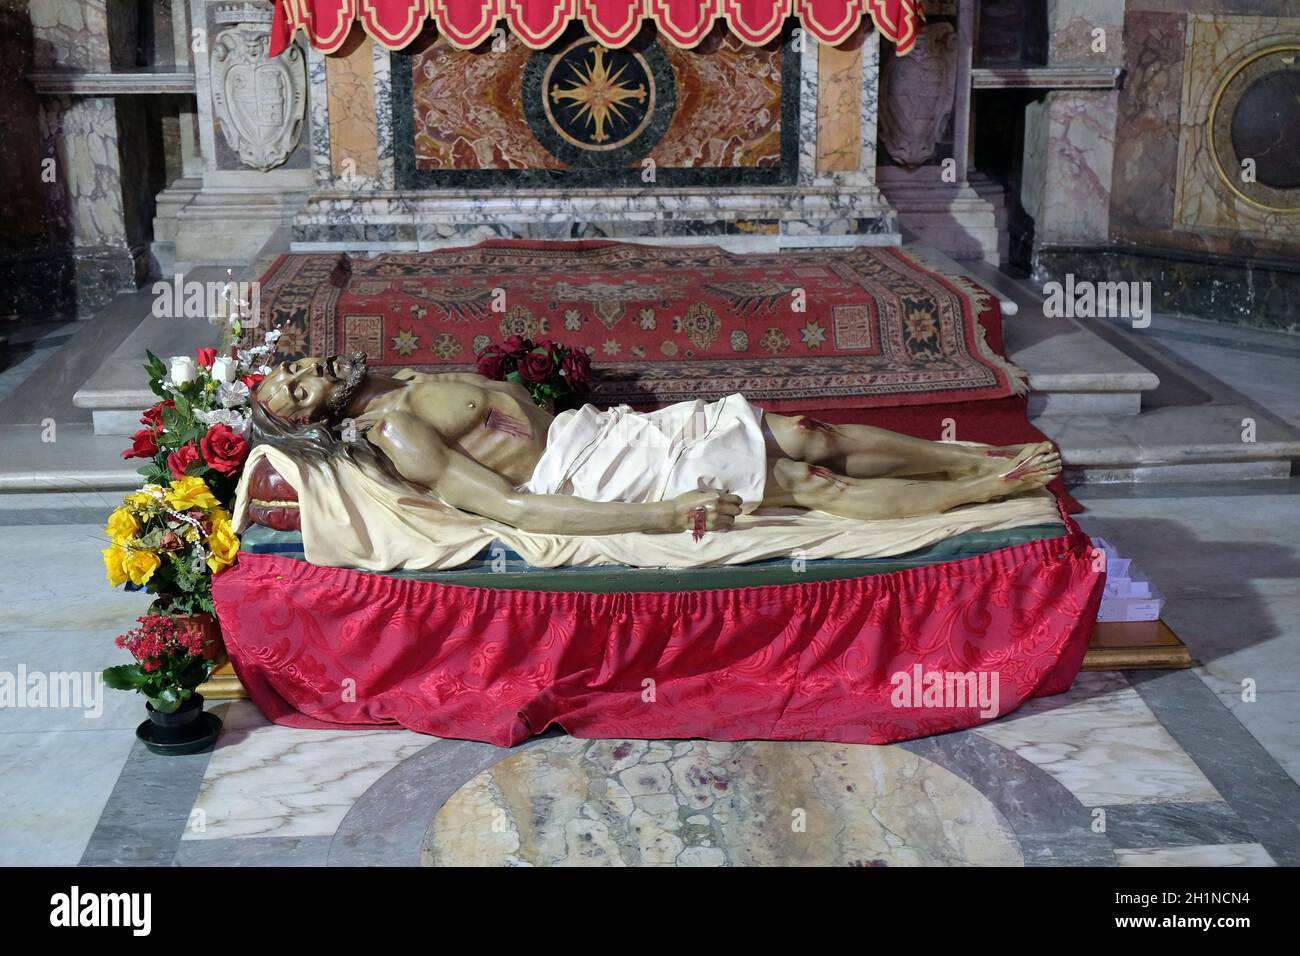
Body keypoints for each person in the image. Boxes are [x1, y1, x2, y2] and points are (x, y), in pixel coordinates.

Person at [253, 352, 1061, 536]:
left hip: (601, 432)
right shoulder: (394, 429)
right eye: (295, 392)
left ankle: (971, 456)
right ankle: (978, 490)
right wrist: (663, 515)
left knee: (806, 432)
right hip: (591, 473)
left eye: (293, 368)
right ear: (313, 422)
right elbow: (513, 506)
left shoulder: (396, 377)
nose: (304, 374)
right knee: (808, 482)